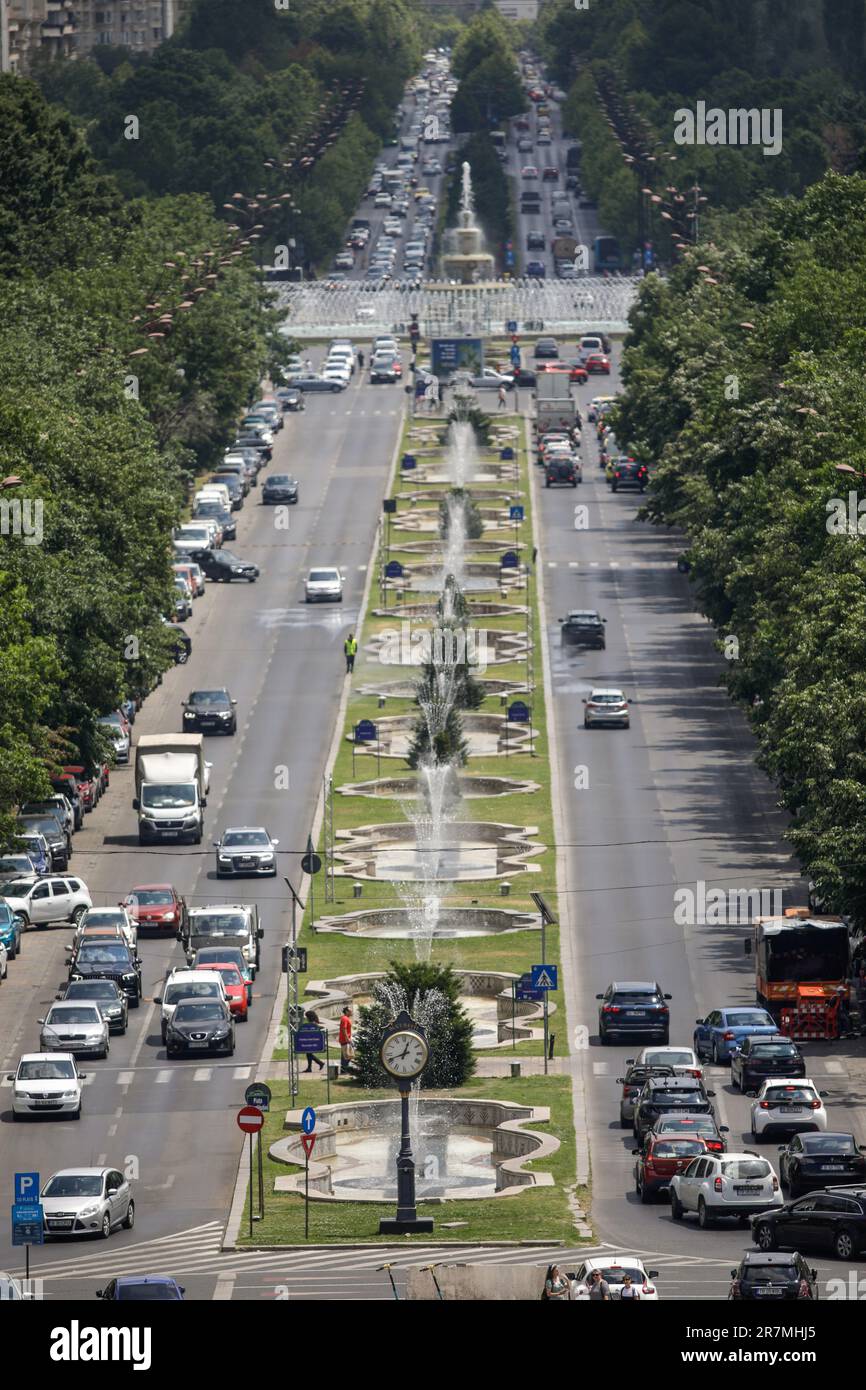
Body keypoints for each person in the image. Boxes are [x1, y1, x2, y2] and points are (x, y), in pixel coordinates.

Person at [339, 1003, 353, 1074]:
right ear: (347, 1012)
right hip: (345, 1039)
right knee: (347, 1054)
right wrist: (347, 1038)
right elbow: (344, 1029)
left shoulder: (346, 1018)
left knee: (346, 1054)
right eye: (350, 1011)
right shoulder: (344, 1018)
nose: (351, 1012)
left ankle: (343, 1069)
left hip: (346, 1039)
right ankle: (344, 1069)